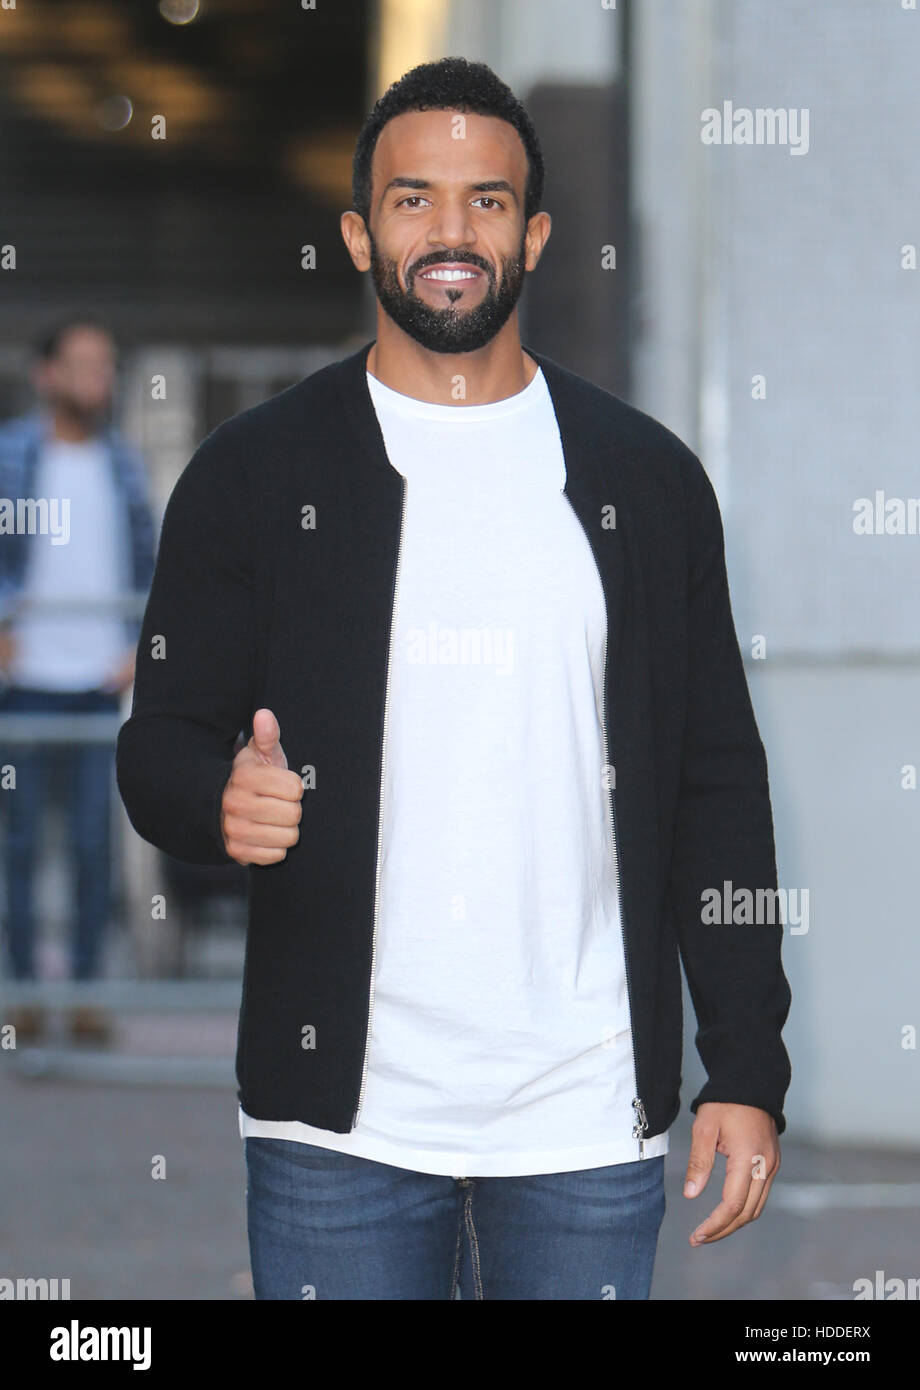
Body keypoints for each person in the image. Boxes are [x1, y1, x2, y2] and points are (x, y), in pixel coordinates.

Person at [116, 58, 792, 1300]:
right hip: (341, 1135)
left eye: (486, 202)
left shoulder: (644, 481)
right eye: (414, 197)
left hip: (582, 1118)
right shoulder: (255, 472)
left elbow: (714, 785)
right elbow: (159, 741)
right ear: (360, 229)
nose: (450, 231)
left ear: (531, 234)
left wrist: (745, 1064)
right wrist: (216, 801)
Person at [0, 317, 156, 1043]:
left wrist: (136, 642)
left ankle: (88, 996)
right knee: (22, 847)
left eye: (108, 364)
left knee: (95, 847)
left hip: (98, 685)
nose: (100, 377)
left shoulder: (124, 464)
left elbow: (149, 564)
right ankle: (25, 997)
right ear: (47, 375)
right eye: (84, 363)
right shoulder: (12, 458)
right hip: (24, 683)